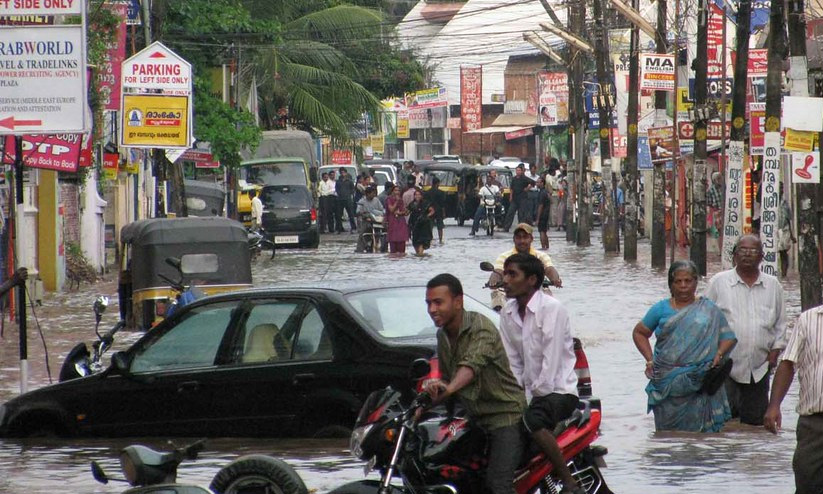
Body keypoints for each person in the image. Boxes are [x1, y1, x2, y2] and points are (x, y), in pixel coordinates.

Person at [423, 274, 527, 494]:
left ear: (458, 302)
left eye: (438, 302)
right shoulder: (443, 335)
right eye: (429, 303)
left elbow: (470, 367)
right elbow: (446, 378)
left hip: (504, 416)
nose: (432, 309)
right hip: (473, 419)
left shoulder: (481, 327)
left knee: (497, 485)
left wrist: (449, 387)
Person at [498, 253, 585, 494]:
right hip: (527, 393)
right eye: (505, 273)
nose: (505, 280)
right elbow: (512, 361)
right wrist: (514, 398)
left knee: (531, 420)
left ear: (532, 280)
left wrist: (531, 399)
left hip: (558, 391)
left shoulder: (552, 309)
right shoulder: (507, 313)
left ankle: (569, 482)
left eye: (512, 274)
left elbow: (552, 361)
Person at [632, 260, 737, 432]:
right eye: (678, 281)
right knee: (667, 439)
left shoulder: (709, 308)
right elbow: (639, 333)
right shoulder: (660, 309)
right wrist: (649, 360)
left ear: (696, 282)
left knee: (701, 441)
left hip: (702, 381)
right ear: (670, 284)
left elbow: (728, 337)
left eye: (688, 281)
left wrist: (719, 354)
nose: (683, 286)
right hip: (667, 384)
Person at [705, 235, 786, 426]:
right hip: (725, 367)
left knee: (756, 426)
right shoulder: (719, 282)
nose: (747, 255)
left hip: (759, 369)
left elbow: (780, 325)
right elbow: (706, 320)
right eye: (743, 250)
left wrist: (774, 354)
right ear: (734, 255)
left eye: (753, 251)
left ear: (762, 257)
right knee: (723, 424)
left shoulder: (773, 285)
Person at [764, 306, 823, 494]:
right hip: (814, 423)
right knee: (807, 482)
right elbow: (788, 363)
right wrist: (774, 406)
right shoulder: (808, 319)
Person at [490, 224, 562, 310]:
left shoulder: (540, 256)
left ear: (531, 239)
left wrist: (555, 279)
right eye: (518, 237)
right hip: (510, 291)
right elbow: (498, 270)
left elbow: (549, 269)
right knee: (497, 297)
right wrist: (494, 280)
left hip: (536, 291)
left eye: (525, 237)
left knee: (551, 303)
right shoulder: (504, 256)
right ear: (514, 239)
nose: (522, 241)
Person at [502, 164, 534, 231]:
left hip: (522, 198)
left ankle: (521, 227)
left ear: (521, 171)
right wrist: (510, 196)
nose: (518, 172)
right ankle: (506, 227)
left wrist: (527, 188)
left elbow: (533, 182)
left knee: (521, 214)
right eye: (517, 170)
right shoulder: (514, 179)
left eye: (519, 170)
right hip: (514, 198)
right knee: (510, 212)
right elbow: (512, 188)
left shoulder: (524, 178)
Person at [355, 185, 385, 253]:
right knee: (362, 234)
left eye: (374, 193)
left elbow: (382, 209)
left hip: (377, 221)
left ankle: (382, 247)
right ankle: (359, 249)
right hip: (366, 221)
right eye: (372, 193)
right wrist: (362, 213)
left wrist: (379, 213)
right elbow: (357, 211)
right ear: (367, 194)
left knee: (382, 233)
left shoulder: (376, 200)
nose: (374, 195)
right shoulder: (362, 201)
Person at [409, 189, 435, 255]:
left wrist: (426, 216)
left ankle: (420, 255)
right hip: (414, 224)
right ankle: (419, 255)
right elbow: (407, 211)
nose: (417, 196)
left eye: (419, 195)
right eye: (416, 195)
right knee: (415, 241)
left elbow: (432, 211)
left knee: (421, 241)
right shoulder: (412, 204)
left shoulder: (425, 203)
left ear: (421, 196)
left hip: (424, 225)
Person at [385, 184, 410, 254]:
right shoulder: (389, 199)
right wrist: (396, 202)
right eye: (395, 190)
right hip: (392, 223)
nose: (397, 192)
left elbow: (404, 211)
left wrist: (404, 211)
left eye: (399, 190)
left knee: (402, 245)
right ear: (392, 191)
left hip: (401, 223)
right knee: (393, 247)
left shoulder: (401, 200)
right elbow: (391, 210)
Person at [777, 188, 796, 278]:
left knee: (783, 251)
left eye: (781, 188)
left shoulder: (785, 204)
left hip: (785, 230)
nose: (780, 190)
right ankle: (782, 271)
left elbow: (789, 219)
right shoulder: (771, 202)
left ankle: (784, 272)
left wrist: (792, 235)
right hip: (776, 230)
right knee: (779, 251)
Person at [426, 176, 446, 244]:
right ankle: (440, 240)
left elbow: (425, 203)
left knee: (430, 226)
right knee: (440, 226)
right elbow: (443, 204)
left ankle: (430, 239)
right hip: (439, 211)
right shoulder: (441, 193)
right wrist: (444, 213)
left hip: (430, 211)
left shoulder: (427, 192)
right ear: (437, 184)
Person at [336, 167, 357, 233]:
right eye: (341, 172)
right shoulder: (338, 181)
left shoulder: (349, 181)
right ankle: (339, 228)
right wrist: (339, 194)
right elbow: (336, 189)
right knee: (339, 215)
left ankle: (353, 228)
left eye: (344, 172)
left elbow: (353, 189)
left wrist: (349, 194)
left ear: (346, 173)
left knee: (350, 214)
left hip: (348, 199)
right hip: (340, 199)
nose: (343, 174)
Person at [707, 171, 724, 241]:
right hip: (717, 211)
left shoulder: (724, 188)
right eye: (718, 179)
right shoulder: (711, 190)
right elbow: (709, 203)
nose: (720, 180)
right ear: (714, 180)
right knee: (718, 230)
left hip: (724, 211)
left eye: (720, 178)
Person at [535, 177, 551, 250]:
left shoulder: (542, 193)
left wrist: (537, 218)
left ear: (542, 183)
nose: (537, 183)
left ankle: (543, 247)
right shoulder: (545, 192)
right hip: (546, 214)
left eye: (538, 182)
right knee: (544, 231)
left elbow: (540, 206)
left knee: (541, 231)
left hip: (542, 215)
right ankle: (547, 247)